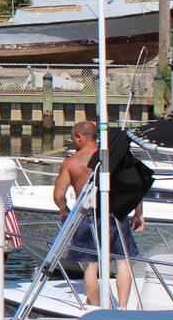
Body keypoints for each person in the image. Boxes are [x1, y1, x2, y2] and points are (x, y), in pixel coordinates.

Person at [53, 120, 146, 308]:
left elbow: (59, 195)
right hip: (116, 213)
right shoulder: (114, 157)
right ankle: (123, 307)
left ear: (79, 137)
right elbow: (134, 186)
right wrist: (138, 214)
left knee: (90, 266)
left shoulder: (72, 163)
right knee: (122, 263)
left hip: (88, 216)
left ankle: (95, 308)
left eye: (74, 139)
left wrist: (64, 211)